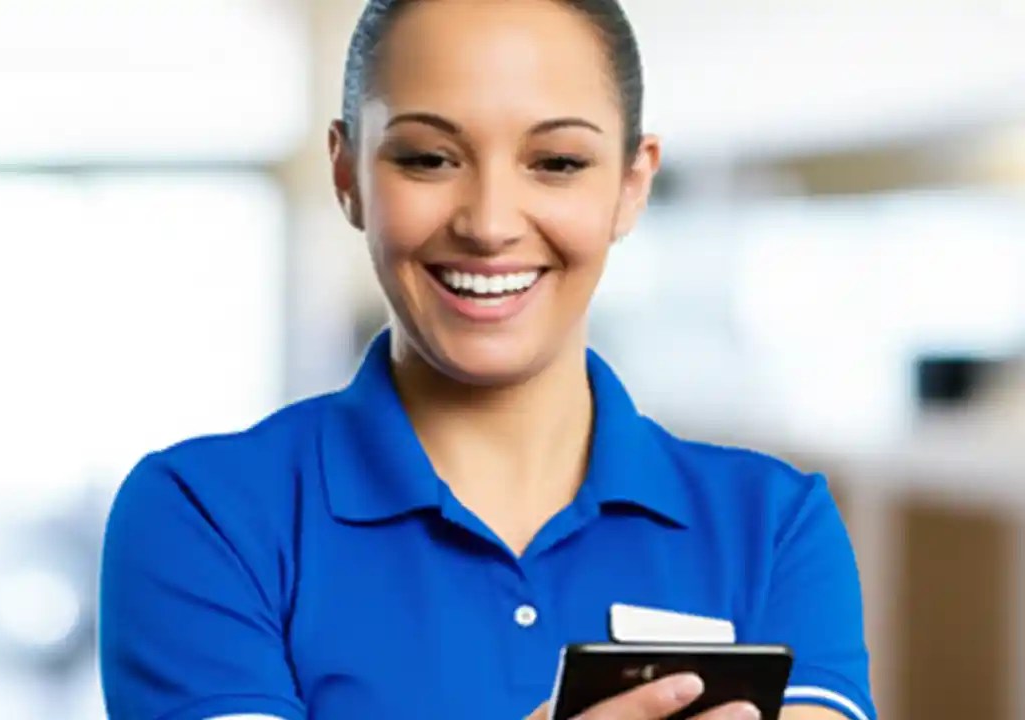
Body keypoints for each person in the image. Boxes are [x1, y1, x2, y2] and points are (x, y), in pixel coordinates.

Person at [98, 1, 876, 718]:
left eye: (558, 163)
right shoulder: (206, 518)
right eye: (429, 159)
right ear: (347, 174)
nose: (490, 223)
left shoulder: (774, 528)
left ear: (632, 185)